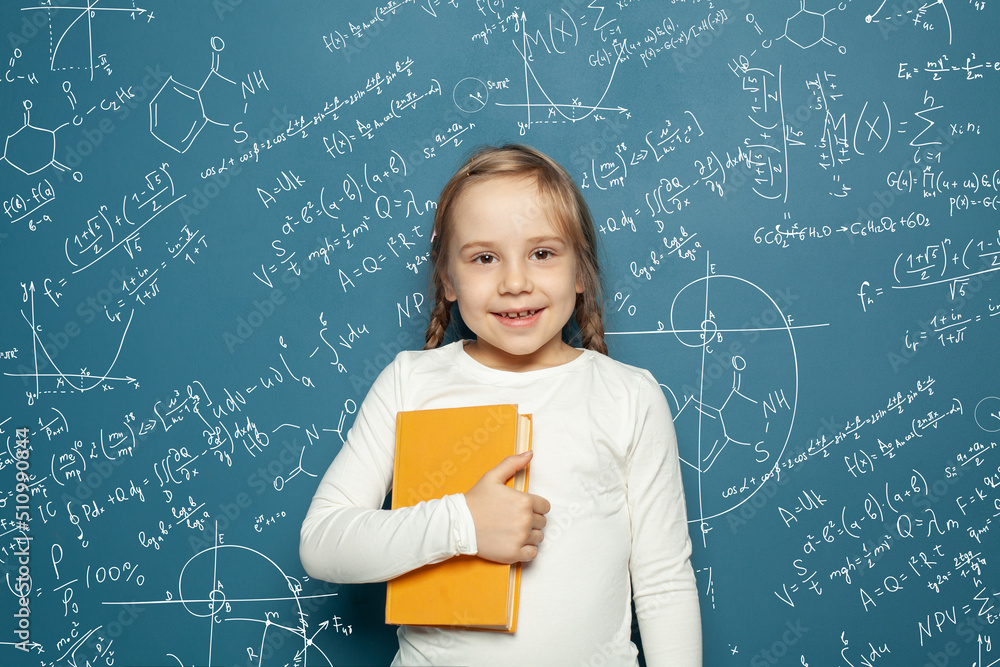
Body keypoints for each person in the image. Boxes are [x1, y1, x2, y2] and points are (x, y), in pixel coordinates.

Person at [300, 144, 702, 665]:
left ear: (580, 273)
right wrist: (462, 523)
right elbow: (323, 543)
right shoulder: (410, 383)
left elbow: (664, 582)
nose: (515, 283)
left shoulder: (628, 395)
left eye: (543, 253)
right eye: (485, 258)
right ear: (448, 280)